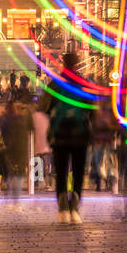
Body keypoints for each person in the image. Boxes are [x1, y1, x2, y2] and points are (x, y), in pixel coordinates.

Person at [41, 52, 93, 223]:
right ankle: (75, 209)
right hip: (80, 135)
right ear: (77, 64)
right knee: (78, 173)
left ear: (63, 63)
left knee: (61, 172)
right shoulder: (84, 83)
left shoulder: (56, 84)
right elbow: (92, 108)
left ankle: (63, 209)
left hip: (59, 136)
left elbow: (43, 106)